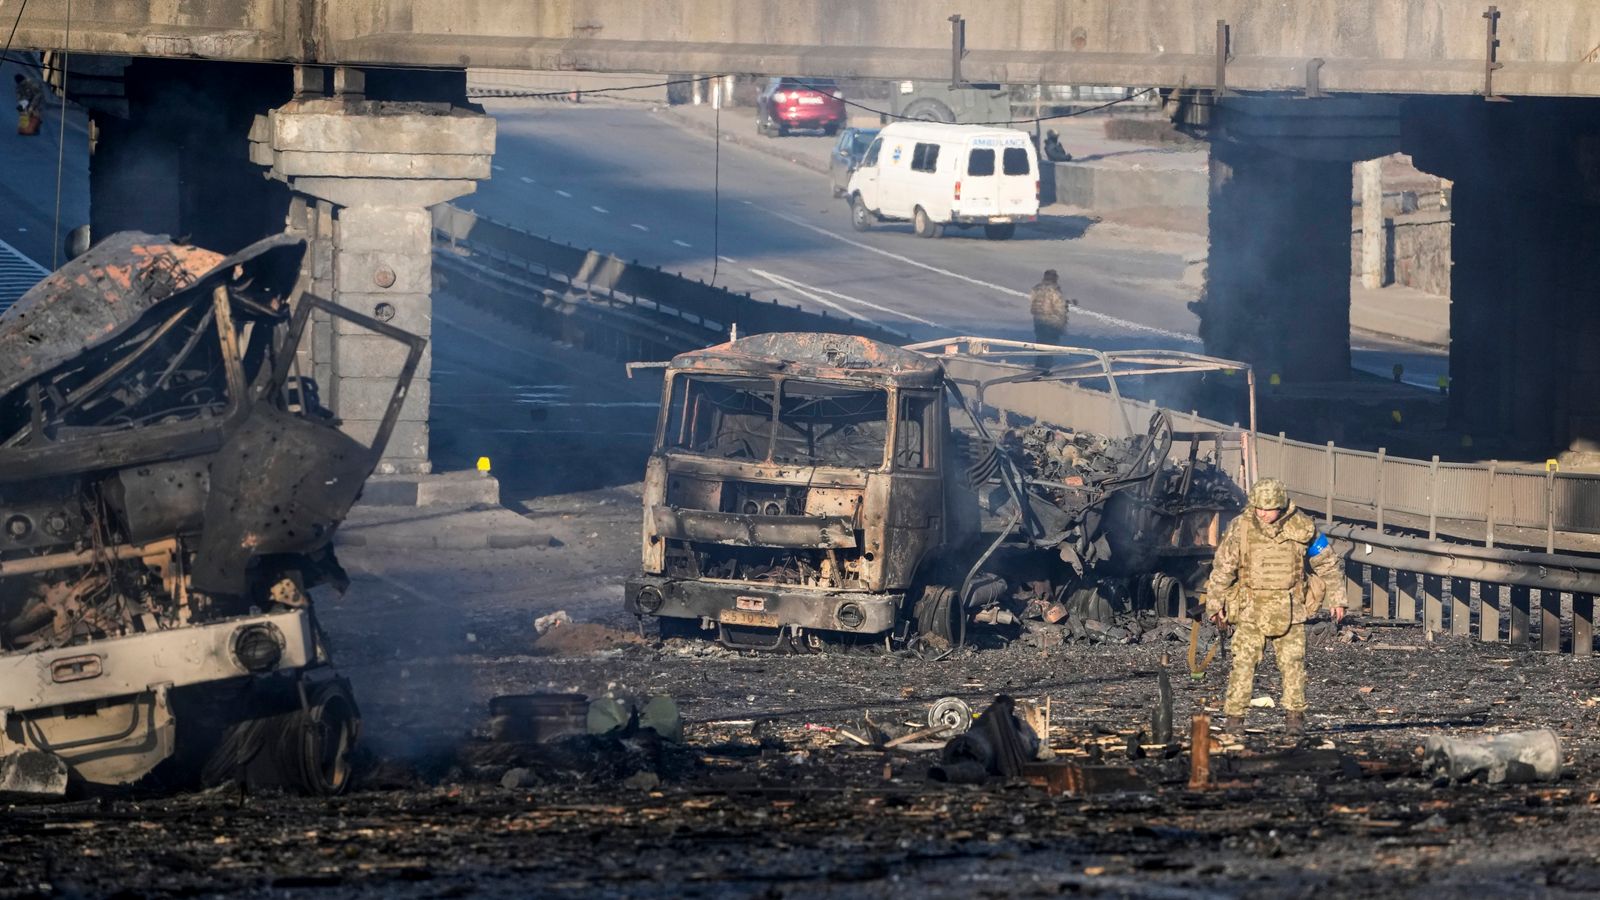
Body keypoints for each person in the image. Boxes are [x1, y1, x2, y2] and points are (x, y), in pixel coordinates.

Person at [1204, 477, 1343, 737]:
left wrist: (1337, 598)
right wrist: (1215, 602)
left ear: (1281, 506)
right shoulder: (1241, 527)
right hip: (1250, 608)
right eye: (1258, 507)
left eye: (1268, 508)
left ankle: (1294, 721)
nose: (1262, 513)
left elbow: (1327, 563)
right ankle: (1234, 721)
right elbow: (1223, 568)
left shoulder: (1302, 527)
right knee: (1243, 664)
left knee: (1293, 665)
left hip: (1290, 608)